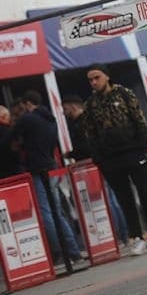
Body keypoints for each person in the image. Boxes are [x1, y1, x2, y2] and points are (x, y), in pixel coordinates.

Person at [78, 68, 147, 256]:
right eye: (90, 80)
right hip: (110, 159)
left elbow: (139, 120)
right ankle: (136, 236)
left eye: (97, 78)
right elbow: (91, 134)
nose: (94, 82)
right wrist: (99, 158)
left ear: (107, 76)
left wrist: (142, 146)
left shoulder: (124, 94)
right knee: (124, 199)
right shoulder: (90, 105)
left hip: (134, 152)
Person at [11, 92, 86, 266]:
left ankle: (60, 252)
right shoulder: (50, 119)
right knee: (56, 212)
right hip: (51, 166)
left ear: (28, 104)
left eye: (21, 109)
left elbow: (11, 137)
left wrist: (20, 143)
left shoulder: (28, 119)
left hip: (37, 169)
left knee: (46, 213)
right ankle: (73, 251)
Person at [62, 94, 129, 246]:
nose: (65, 113)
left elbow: (85, 147)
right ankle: (124, 234)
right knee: (112, 199)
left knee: (106, 201)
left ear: (73, 106)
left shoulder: (80, 124)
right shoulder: (93, 119)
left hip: (92, 164)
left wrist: (71, 154)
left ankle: (117, 235)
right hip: (104, 161)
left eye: (65, 109)